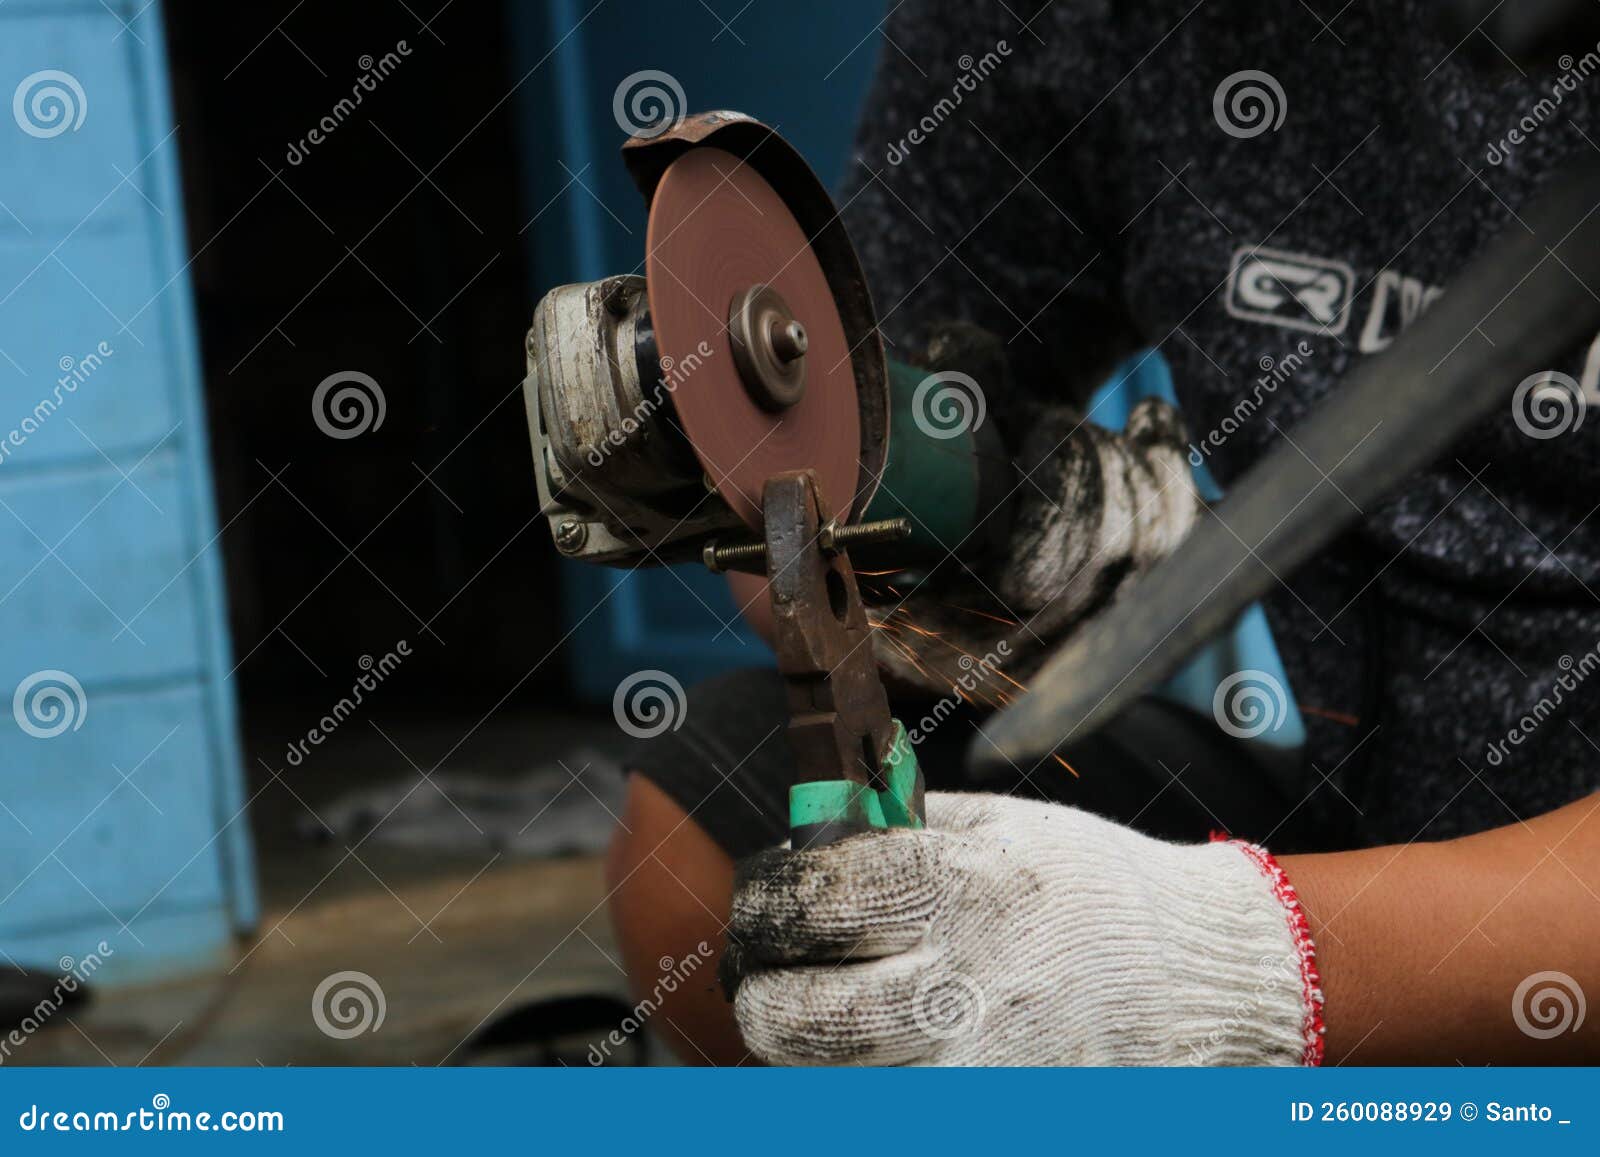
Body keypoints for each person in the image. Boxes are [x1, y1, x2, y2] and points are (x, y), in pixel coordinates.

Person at [606, 0, 1600, 1065]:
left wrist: (1227, 956)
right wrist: (1006, 529)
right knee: (729, 864)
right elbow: (802, 544)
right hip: (1355, 793)